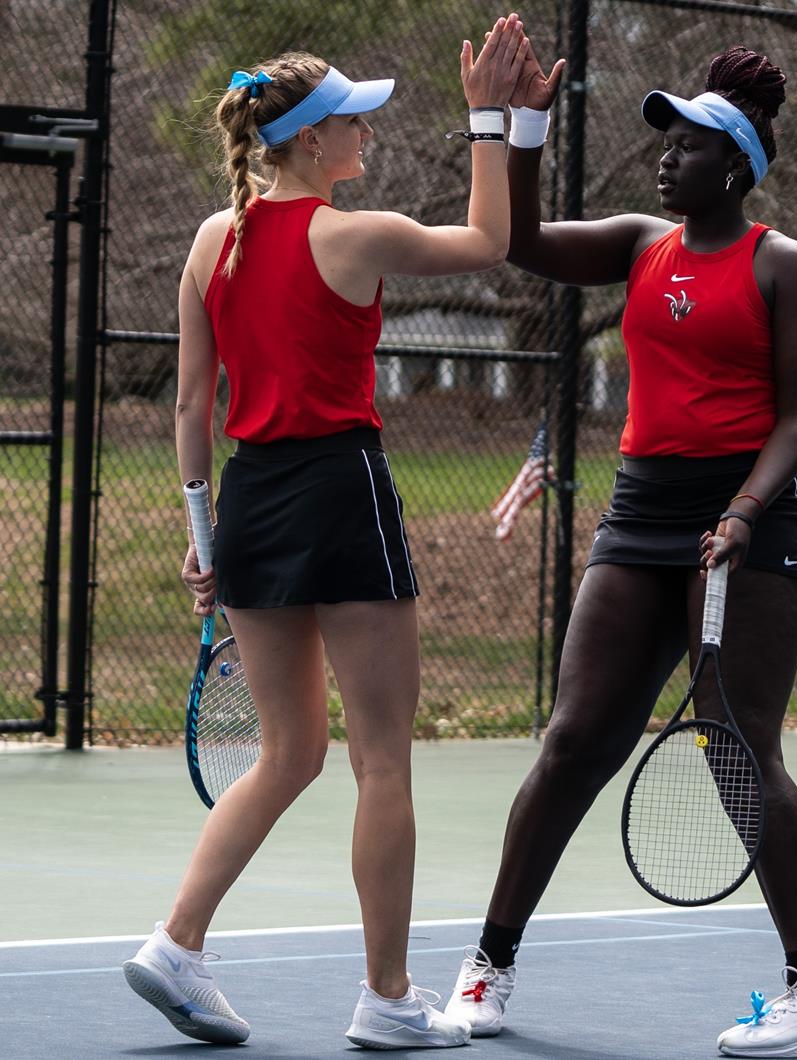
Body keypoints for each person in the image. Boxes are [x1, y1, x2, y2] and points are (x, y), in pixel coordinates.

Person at [442, 44, 797, 1057]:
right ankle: (487, 965)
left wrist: (744, 508)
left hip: (750, 527)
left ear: (734, 164)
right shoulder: (642, 245)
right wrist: (523, 127)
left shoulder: (784, 266)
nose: (664, 163)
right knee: (573, 738)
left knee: (736, 749)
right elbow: (523, 240)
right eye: (663, 146)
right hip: (638, 518)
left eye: (684, 148)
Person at [122, 16, 527, 1050]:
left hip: (251, 499)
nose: (367, 135)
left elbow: (189, 405)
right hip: (340, 488)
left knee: (289, 751)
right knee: (379, 759)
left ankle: (176, 943)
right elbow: (489, 242)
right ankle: (388, 997)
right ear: (309, 140)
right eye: (351, 120)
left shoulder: (213, 240)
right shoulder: (354, 234)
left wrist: (203, 531)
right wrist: (492, 122)